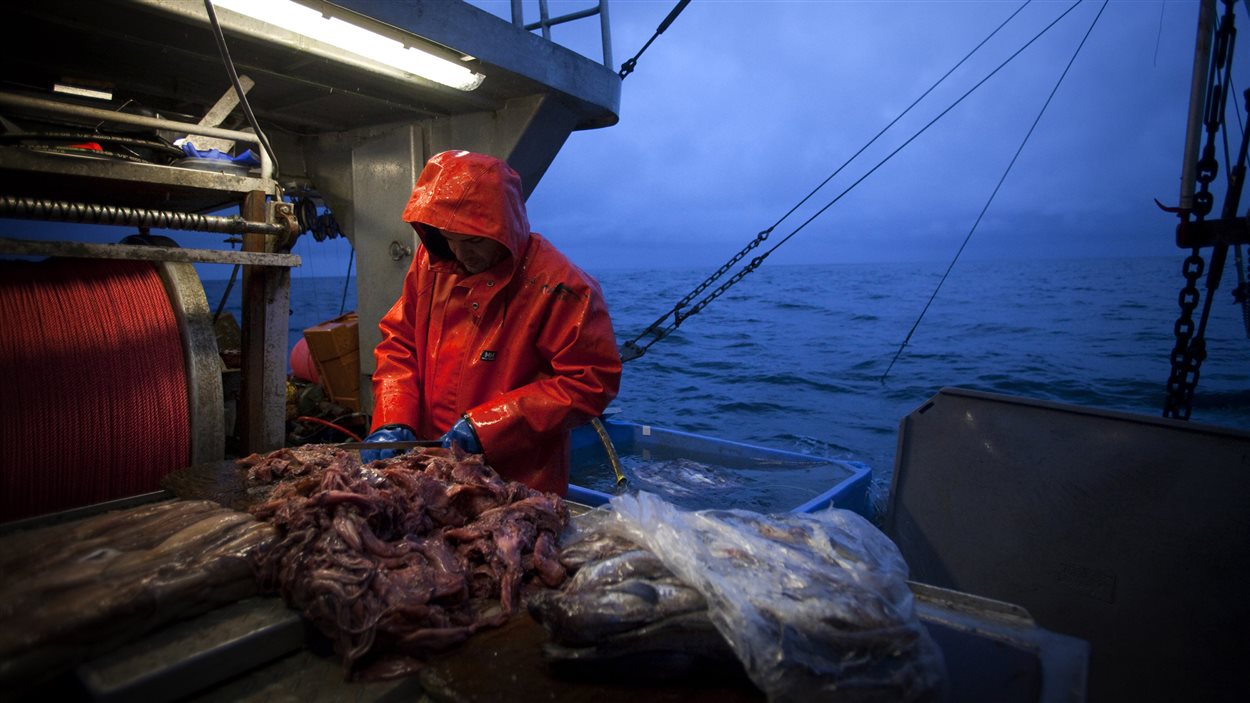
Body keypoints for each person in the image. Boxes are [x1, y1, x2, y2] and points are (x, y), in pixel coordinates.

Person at [360, 150, 622, 495]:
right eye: (448, 239)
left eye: (472, 241)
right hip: (428, 469)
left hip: (519, 482)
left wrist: (489, 428)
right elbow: (400, 342)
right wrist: (394, 416)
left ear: (504, 227)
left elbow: (590, 382)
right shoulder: (431, 264)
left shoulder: (564, 287)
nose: (461, 253)